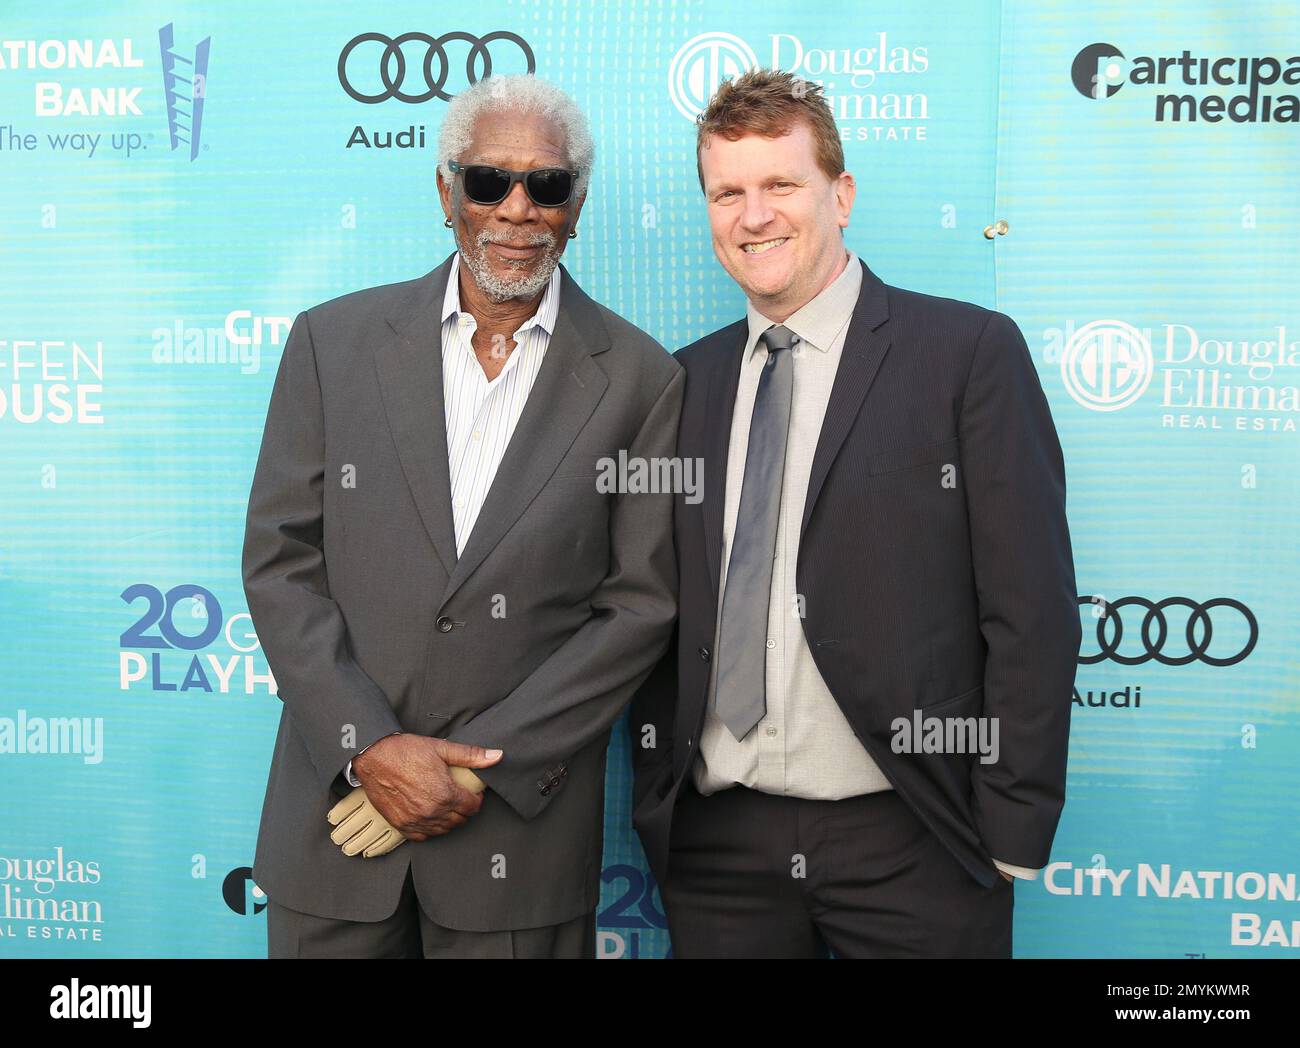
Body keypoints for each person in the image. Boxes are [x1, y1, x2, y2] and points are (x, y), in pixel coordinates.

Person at [630, 68, 1080, 958]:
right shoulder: (684, 382)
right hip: (720, 848)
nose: (753, 215)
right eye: (728, 192)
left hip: (917, 839)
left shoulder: (966, 355)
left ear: (841, 194)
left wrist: (1013, 831)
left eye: (780, 185)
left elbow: (1031, 609)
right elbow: (649, 604)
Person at [243, 73, 682, 958]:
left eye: (546, 184)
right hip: (339, 827)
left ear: (576, 204)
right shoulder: (332, 345)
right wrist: (368, 748)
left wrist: (474, 772)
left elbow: (639, 608)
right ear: (447, 193)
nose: (517, 208)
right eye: (489, 180)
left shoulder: (643, 380)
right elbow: (280, 565)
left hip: (515, 847)